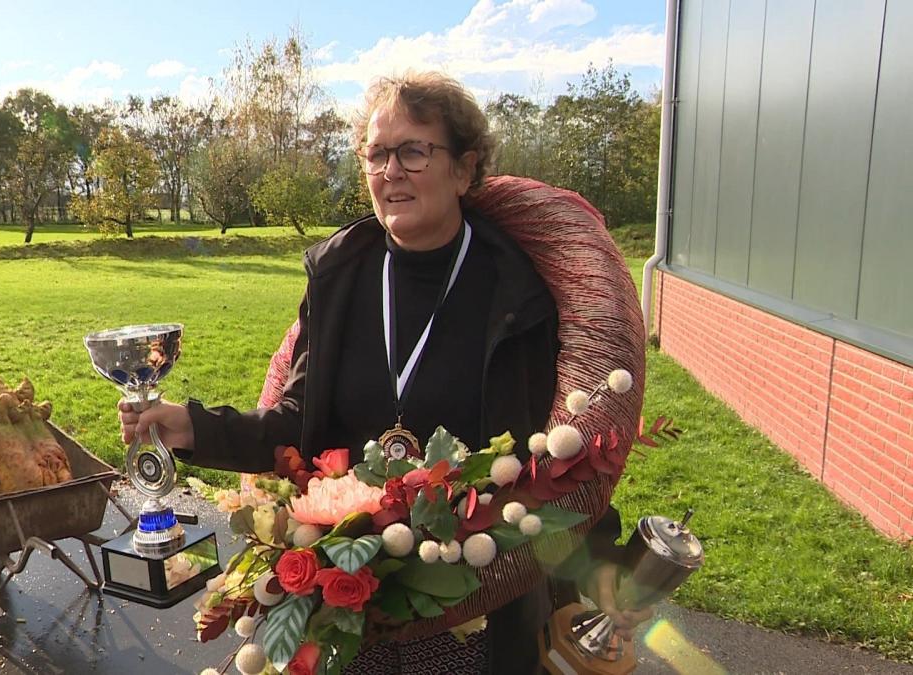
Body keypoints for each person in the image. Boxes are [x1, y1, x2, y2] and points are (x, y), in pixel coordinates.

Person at [119, 71, 649, 674]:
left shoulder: (520, 293)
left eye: (414, 150)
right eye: (375, 153)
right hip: (348, 599)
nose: (390, 170)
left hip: (473, 609)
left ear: (464, 168)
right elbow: (298, 422)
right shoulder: (340, 277)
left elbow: (561, 446)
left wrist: (600, 561)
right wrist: (190, 426)